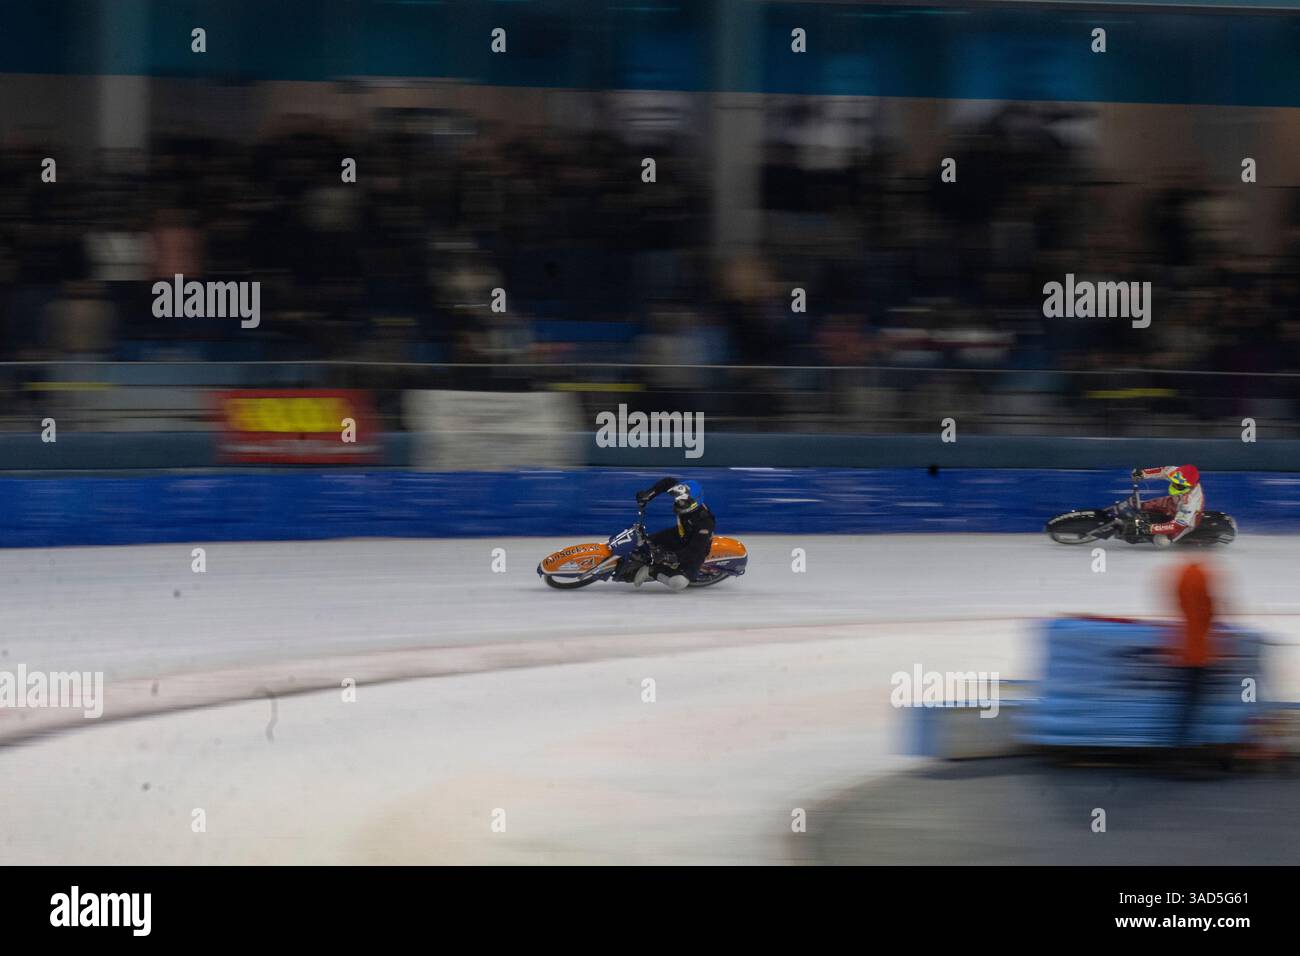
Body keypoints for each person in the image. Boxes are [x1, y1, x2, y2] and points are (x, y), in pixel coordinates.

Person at [632, 478, 715, 591]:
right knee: (647, 542)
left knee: (678, 582)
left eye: (681, 502)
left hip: (695, 548)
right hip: (680, 533)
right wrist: (648, 494)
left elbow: (695, 550)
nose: (677, 502)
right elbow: (667, 482)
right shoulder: (687, 498)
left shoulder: (704, 522)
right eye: (677, 500)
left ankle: (652, 571)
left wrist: (669, 556)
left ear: (693, 503)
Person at [1131, 464, 1204, 546]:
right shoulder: (1177, 473)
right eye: (1173, 482)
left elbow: (1177, 525)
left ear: (1189, 487)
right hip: (1172, 502)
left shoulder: (1191, 502)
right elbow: (1162, 471)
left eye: (1178, 486)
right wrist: (1142, 473)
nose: (1174, 486)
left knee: (1161, 541)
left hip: (1186, 521)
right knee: (1141, 506)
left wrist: (1151, 528)